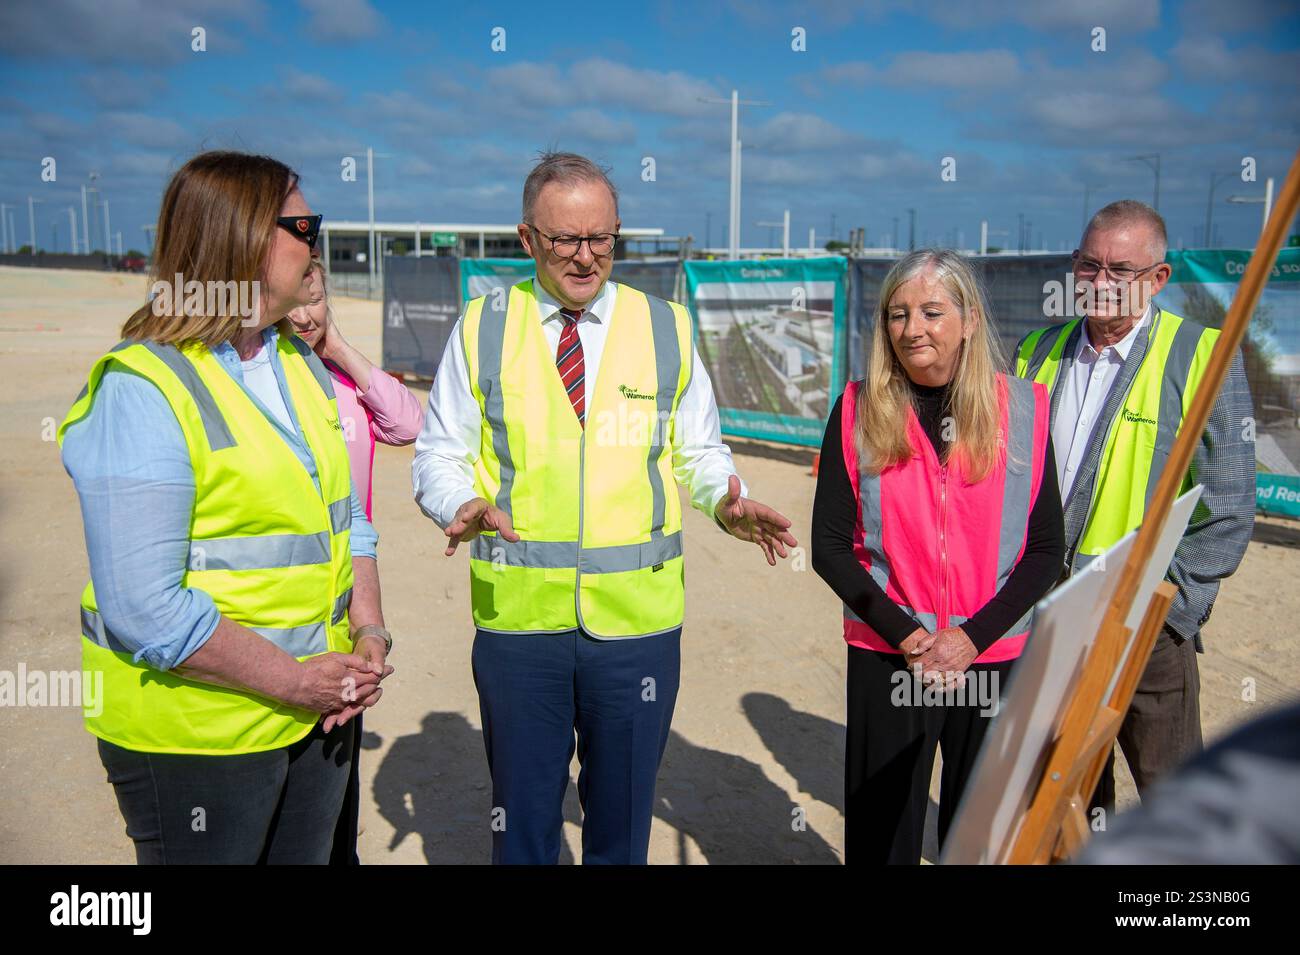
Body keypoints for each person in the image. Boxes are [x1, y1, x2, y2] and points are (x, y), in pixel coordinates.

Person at [412, 151, 798, 864]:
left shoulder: (666, 328)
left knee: (620, 828)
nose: (587, 257)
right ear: (526, 239)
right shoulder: (482, 327)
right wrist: (457, 500)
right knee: (522, 825)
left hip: (638, 627)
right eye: (565, 240)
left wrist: (725, 499)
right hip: (520, 622)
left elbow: (699, 451)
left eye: (603, 238)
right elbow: (438, 452)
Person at [59, 150, 394, 865]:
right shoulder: (144, 387)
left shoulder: (299, 362)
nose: (316, 240)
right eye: (301, 223)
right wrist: (297, 678)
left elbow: (346, 520)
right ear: (240, 236)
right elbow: (146, 607)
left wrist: (370, 631)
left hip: (318, 714)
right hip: (200, 735)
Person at [812, 249, 1064, 864]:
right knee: (881, 832)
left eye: (931, 311)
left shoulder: (1025, 409)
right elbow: (829, 548)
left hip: (993, 655)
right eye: (898, 314)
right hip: (891, 655)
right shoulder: (856, 407)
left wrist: (972, 638)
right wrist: (910, 636)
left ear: (969, 319)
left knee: (979, 836)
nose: (912, 329)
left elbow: (1045, 549)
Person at [1014, 200, 1255, 815]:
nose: (1101, 283)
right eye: (1089, 265)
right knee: (1064, 795)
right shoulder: (1034, 353)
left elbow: (1229, 507)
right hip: (1053, 614)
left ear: (1158, 278)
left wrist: (1170, 607)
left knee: (1171, 797)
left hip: (1147, 619)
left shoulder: (1202, 355)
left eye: (1121, 270)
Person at [288, 259, 422, 864]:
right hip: (295, 592)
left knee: (336, 762)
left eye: (314, 301)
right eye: (291, 303)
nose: (303, 316)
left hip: (351, 591)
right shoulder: (268, 385)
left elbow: (408, 422)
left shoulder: (345, 385)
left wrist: (337, 346)